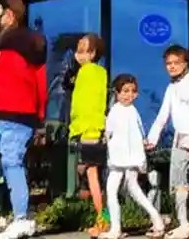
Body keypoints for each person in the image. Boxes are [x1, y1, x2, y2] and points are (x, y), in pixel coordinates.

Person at [0, 0, 48, 239]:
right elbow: (40, 82)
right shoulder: (22, 43)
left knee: (11, 162)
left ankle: (21, 218)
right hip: (11, 114)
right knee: (8, 164)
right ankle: (19, 216)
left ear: (10, 15)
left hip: (13, 113)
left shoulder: (11, 43)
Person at [145, 45, 189, 239]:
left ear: (185, 63)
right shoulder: (172, 87)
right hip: (179, 139)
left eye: (176, 63)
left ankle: (185, 224)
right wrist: (152, 139)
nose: (171, 66)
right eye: (168, 63)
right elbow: (163, 115)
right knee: (181, 183)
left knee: (180, 183)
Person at [101, 74, 165, 239]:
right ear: (117, 93)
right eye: (125, 91)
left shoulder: (121, 111)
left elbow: (110, 133)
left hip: (122, 159)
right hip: (127, 158)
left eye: (132, 91)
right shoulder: (124, 111)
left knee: (113, 190)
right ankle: (156, 220)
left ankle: (116, 229)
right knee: (132, 189)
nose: (129, 95)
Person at [69, 33, 110, 238]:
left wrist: (78, 129)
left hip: (88, 130)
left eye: (83, 50)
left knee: (93, 175)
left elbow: (84, 105)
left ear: (93, 53)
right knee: (95, 175)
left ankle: (103, 219)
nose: (79, 55)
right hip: (93, 129)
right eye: (78, 50)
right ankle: (104, 217)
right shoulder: (98, 73)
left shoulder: (86, 73)